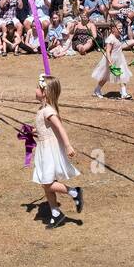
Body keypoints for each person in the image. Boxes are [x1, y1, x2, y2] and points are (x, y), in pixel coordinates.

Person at [31, 74, 82, 228]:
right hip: (43, 148)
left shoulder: (48, 110)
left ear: (44, 92)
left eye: (37, 88)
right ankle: (55, 212)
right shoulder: (42, 109)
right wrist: (35, 131)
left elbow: (60, 127)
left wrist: (68, 146)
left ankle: (74, 192)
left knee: (47, 182)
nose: (35, 90)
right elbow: (46, 128)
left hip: (48, 150)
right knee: (45, 182)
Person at [91, 21, 133, 99]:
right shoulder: (110, 39)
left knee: (122, 75)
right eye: (119, 28)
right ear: (113, 29)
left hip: (120, 59)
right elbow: (107, 51)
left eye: (121, 28)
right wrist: (110, 61)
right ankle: (97, 90)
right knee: (105, 77)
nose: (121, 30)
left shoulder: (118, 37)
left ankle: (124, 93)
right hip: (111, 60)